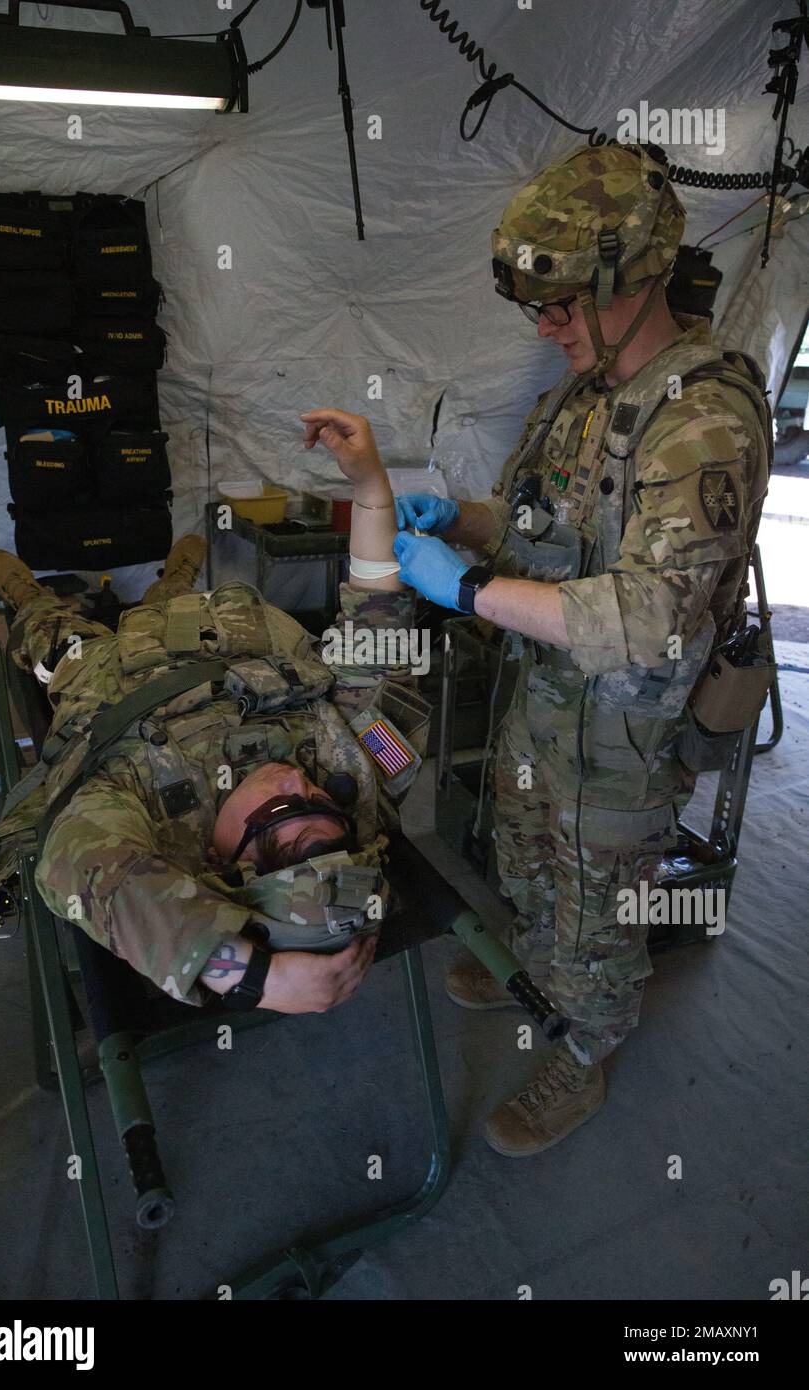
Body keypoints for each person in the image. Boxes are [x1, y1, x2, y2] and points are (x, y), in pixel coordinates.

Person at [393, 142, 771, 1156]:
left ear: (635, 277)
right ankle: (529, 960)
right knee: (525, 857)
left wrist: (466, 589)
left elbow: (650, 613)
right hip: (543, 696)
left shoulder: (700, 419)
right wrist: (466, 526)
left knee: (597, 904)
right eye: (538, 307)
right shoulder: (585, 391)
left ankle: (584, 1051)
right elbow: (540, 530)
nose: (548, 326)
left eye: (563, 305)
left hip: (623, 738)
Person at [0, 411, 429, 1019]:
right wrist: (370, 488)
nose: (293, 779)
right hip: (215, 627)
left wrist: (247, 975)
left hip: (103, 664)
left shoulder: (146, 822)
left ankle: (26, 589)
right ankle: (174, 576)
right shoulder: (354, 770)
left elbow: (78, 862)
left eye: (283, 811)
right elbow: (378, 620)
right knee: (170, 597)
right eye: (319, 799)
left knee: (47, 625)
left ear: (231, 864)